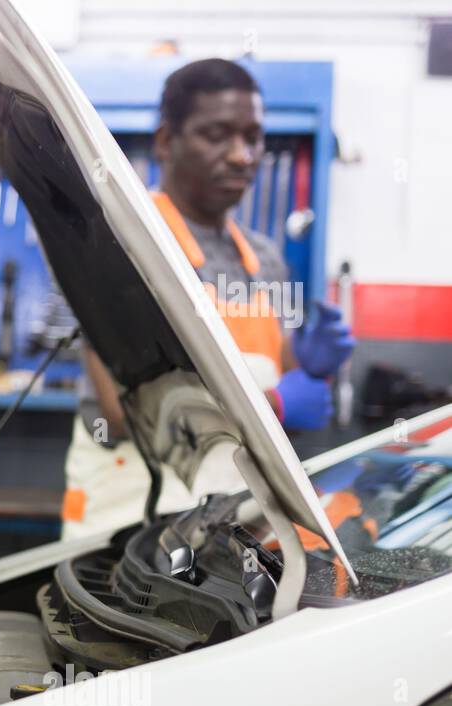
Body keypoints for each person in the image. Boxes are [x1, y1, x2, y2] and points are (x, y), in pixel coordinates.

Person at [61, 58, 354, 539]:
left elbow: (278, 389)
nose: (242, 155)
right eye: (217, 135)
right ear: (165, 141)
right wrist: (276, 406)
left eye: (253, 137)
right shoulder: (120, 247)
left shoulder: (265, 260)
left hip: (231, 524)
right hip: (128, 527)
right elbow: (121, 412)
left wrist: (309, 366)